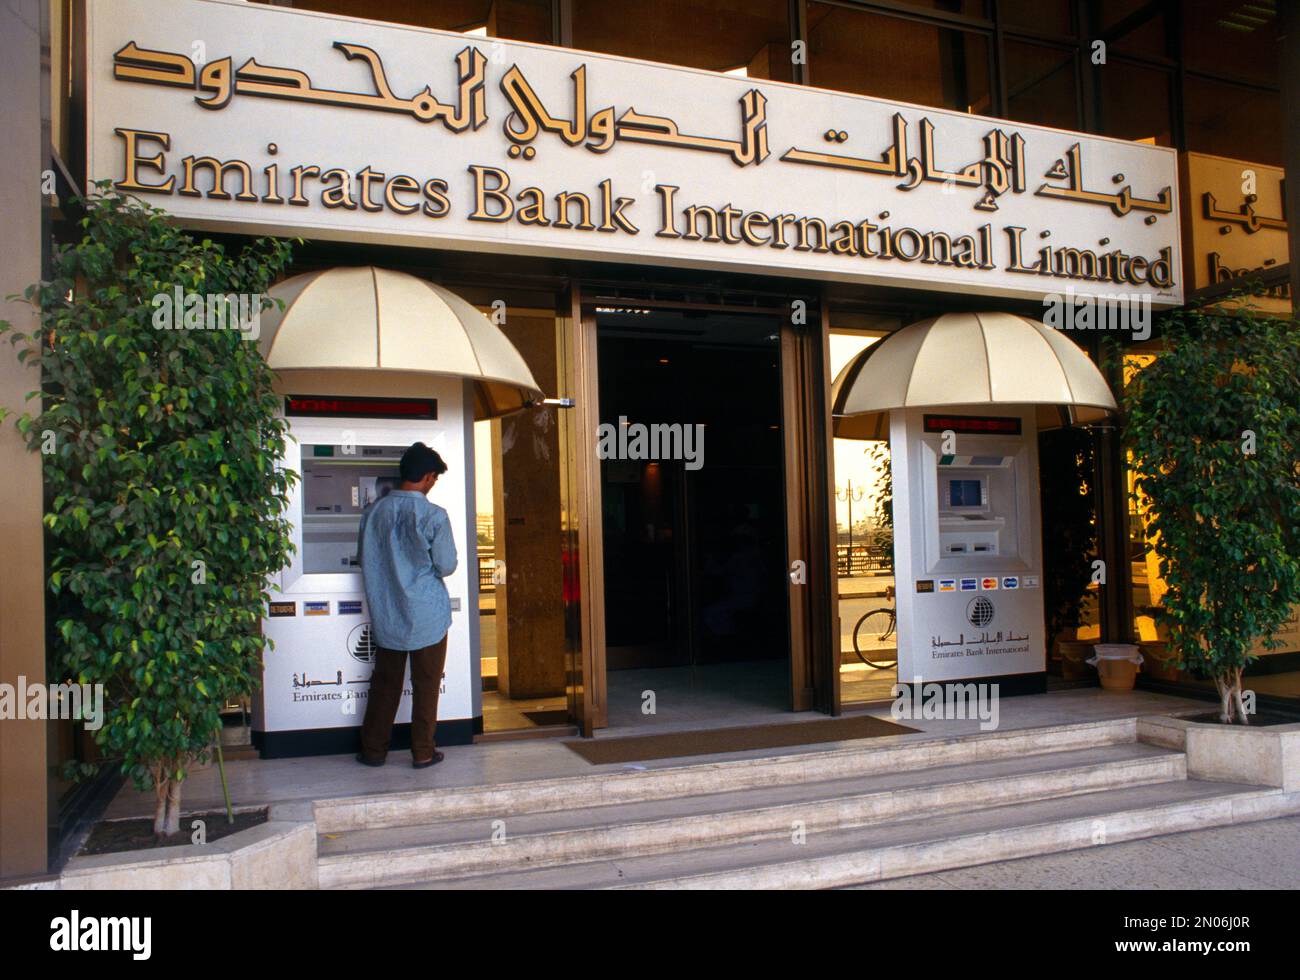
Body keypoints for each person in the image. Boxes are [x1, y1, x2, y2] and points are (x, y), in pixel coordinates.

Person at [355, 442, 457, 769]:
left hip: (388, 613)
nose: (432, 484)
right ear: (427, 476)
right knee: (426, 685)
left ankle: (373, 751)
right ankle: (423, 752)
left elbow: (365, 558)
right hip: (427, 614)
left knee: (385, 685)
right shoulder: (434, 515)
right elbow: (446, 565)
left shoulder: (373, 513)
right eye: (434, 479)